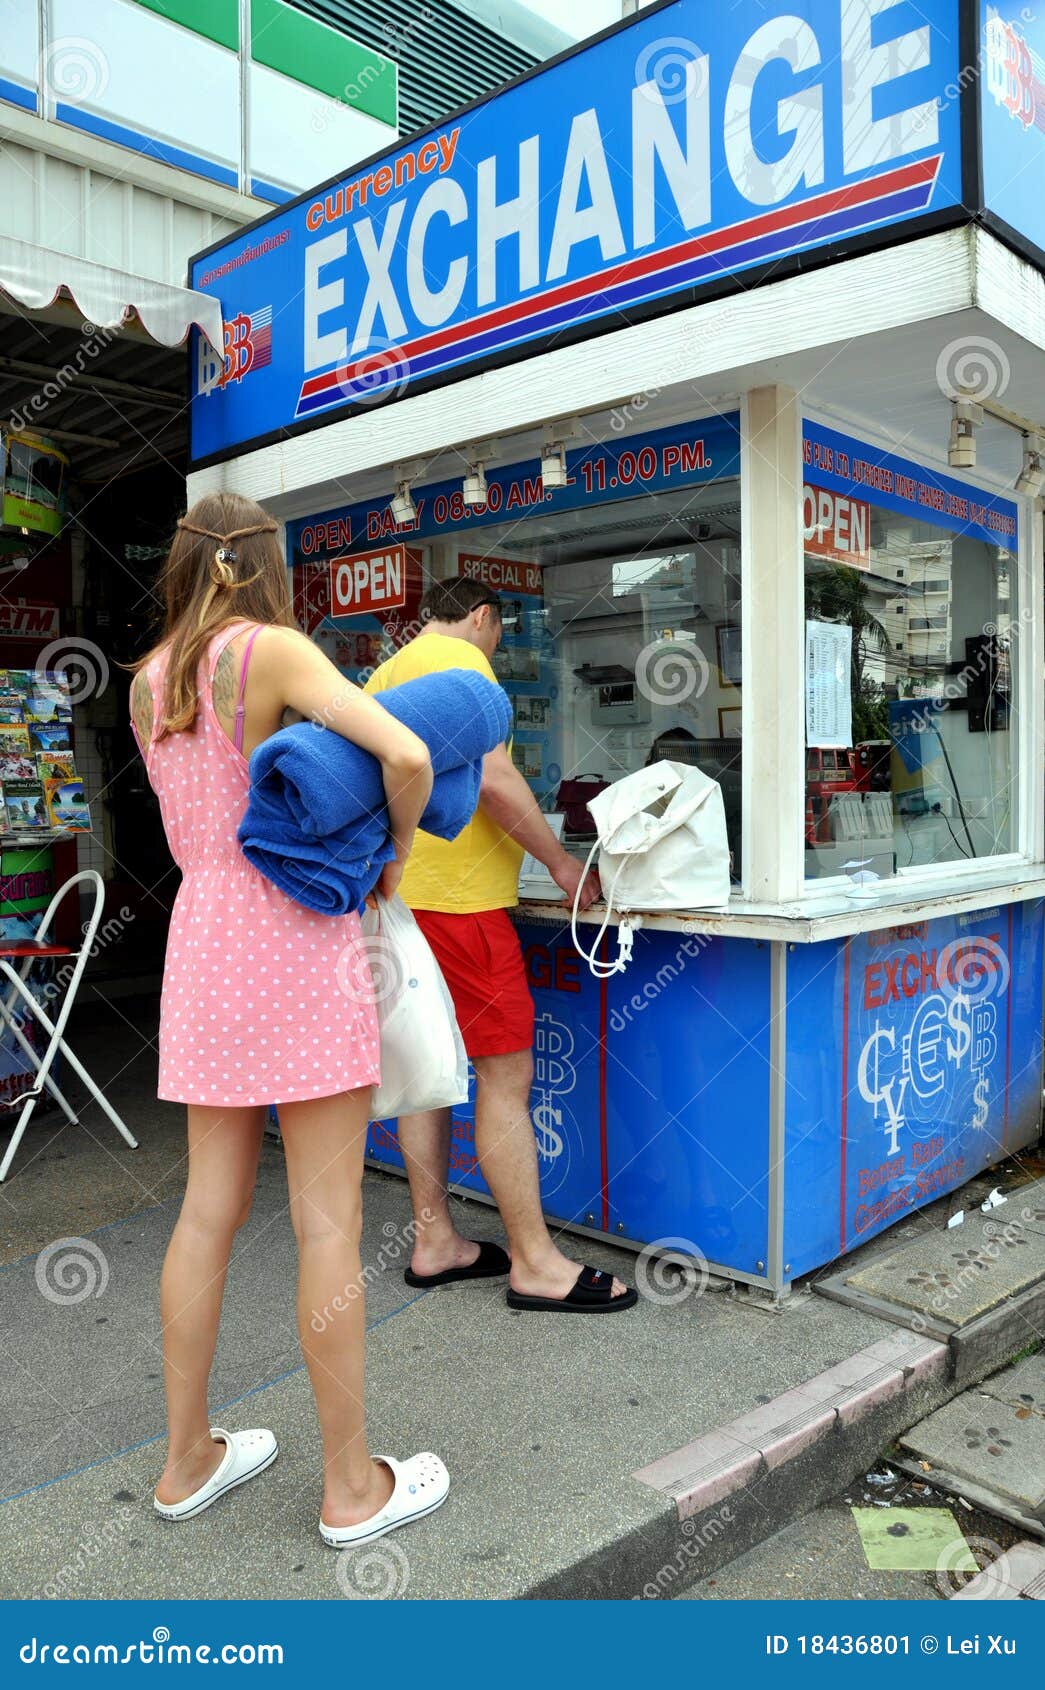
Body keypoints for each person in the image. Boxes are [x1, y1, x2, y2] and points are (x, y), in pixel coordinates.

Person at [131, 492, 449, 1546]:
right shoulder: (268, 651)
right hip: (297, 930)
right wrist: (394, 854)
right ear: (250, 565)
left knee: (204, 1212)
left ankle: (184, 1461)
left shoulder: (146, 682)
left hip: (202, 939)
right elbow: (404, 754)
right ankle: (350, 1486)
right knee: (327, 1222)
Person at [364, 577, 637, 1313]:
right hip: (459, 904)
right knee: (504, 1075)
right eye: (497, 633)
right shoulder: (464, 662)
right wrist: (558, 859)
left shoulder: (388, 669)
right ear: (483, 617)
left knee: (427, 1072)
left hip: (399, 900)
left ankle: (435, 1242)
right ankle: (536, 1263)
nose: (495, 647)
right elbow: (492, 775)